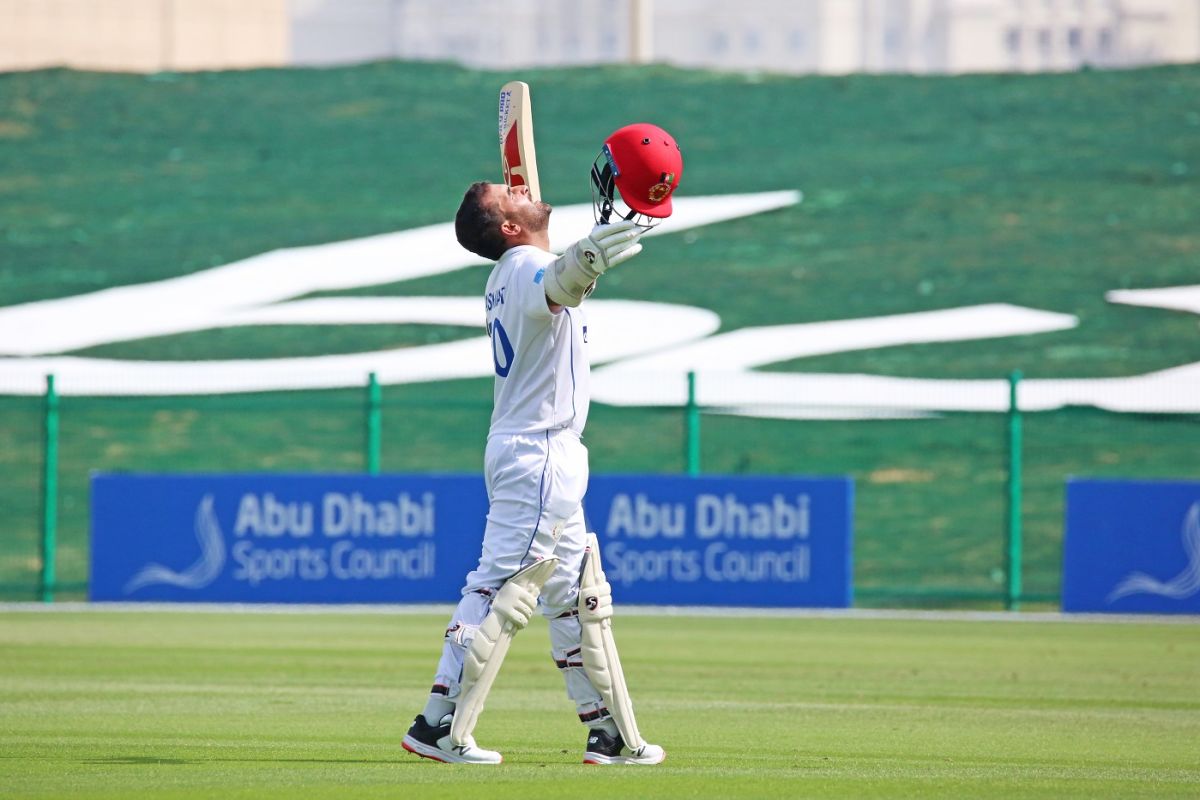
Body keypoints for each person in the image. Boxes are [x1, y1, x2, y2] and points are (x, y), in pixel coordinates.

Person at [401, 124, 683, 766]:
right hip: (538, 454)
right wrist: (585, 259)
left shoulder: (511, 270)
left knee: (579, 597)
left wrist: (583, 261)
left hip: (542, 452)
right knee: (502, 588)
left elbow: (559, 284)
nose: (523, 187)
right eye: (511, 193)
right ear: (508, 227)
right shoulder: (526, 267)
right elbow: (559, 283)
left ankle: (609, 733)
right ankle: (438, 725)